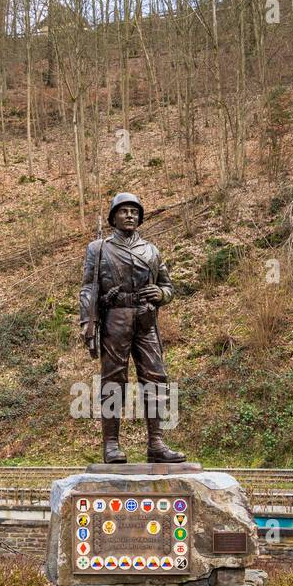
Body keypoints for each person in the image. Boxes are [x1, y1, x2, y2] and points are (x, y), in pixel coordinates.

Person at [80, 192, 185, 464]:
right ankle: (111, 444)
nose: (130, 215)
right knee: (113, 380)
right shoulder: (98, 248)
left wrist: (161, 295)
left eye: (134, 211)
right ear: (113, 216)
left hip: (145, 319)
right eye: (124, 211)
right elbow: (89, 288)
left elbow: (169, 287)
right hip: (115, 318)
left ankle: (156, 442)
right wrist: (87, 322)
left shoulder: (151, 250)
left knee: (156, 377)